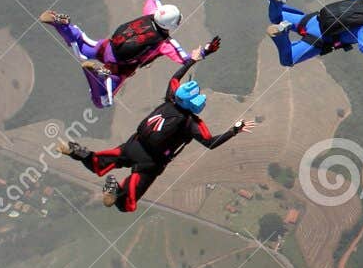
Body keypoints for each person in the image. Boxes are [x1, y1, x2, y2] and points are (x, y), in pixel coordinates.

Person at [56, 60, 254, 211]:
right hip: (150, 162)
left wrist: (192, 60)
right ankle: (116, 191)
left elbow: (174, 79)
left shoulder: (169, 100)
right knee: (127, 204)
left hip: (133, 144)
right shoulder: (192, 123)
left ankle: (81, 153)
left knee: (100, 163)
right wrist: (235, 129)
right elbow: (211, 143)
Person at [39, 0, 219, 109]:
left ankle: (64, 25)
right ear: (171, 26)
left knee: (81, 46)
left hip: (107, 46)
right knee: (103, 102)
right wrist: (205, 51)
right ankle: (98, 75)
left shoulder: (151, 11)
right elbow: (186, 60)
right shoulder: (166, 43)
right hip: (119, 67)